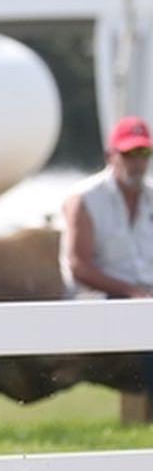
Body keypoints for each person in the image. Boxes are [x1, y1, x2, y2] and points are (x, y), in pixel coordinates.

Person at [60, 115, 153, 403]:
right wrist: (131, 292)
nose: (137, 162)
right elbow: (79, 267)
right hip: (99, 298)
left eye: (144, 153)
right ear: (110, 156)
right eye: (129, 154)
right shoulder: (86, 198)